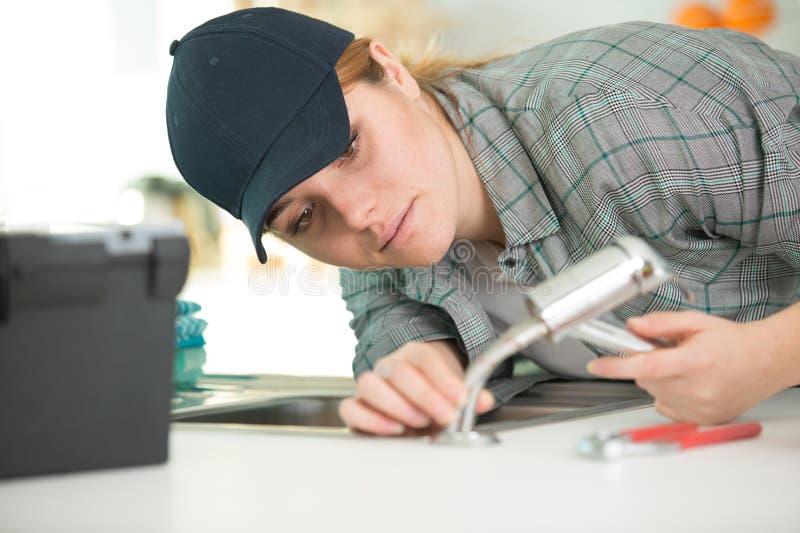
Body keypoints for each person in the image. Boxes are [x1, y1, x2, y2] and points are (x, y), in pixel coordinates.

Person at [166, 7, 800, 436]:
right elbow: (392, 323)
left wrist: (769, 357)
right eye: (304, 216)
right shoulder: (382, 245)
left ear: (393, 72)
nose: (357, 214)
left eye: (349, 146)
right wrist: (413, 370)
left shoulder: (623, 113)